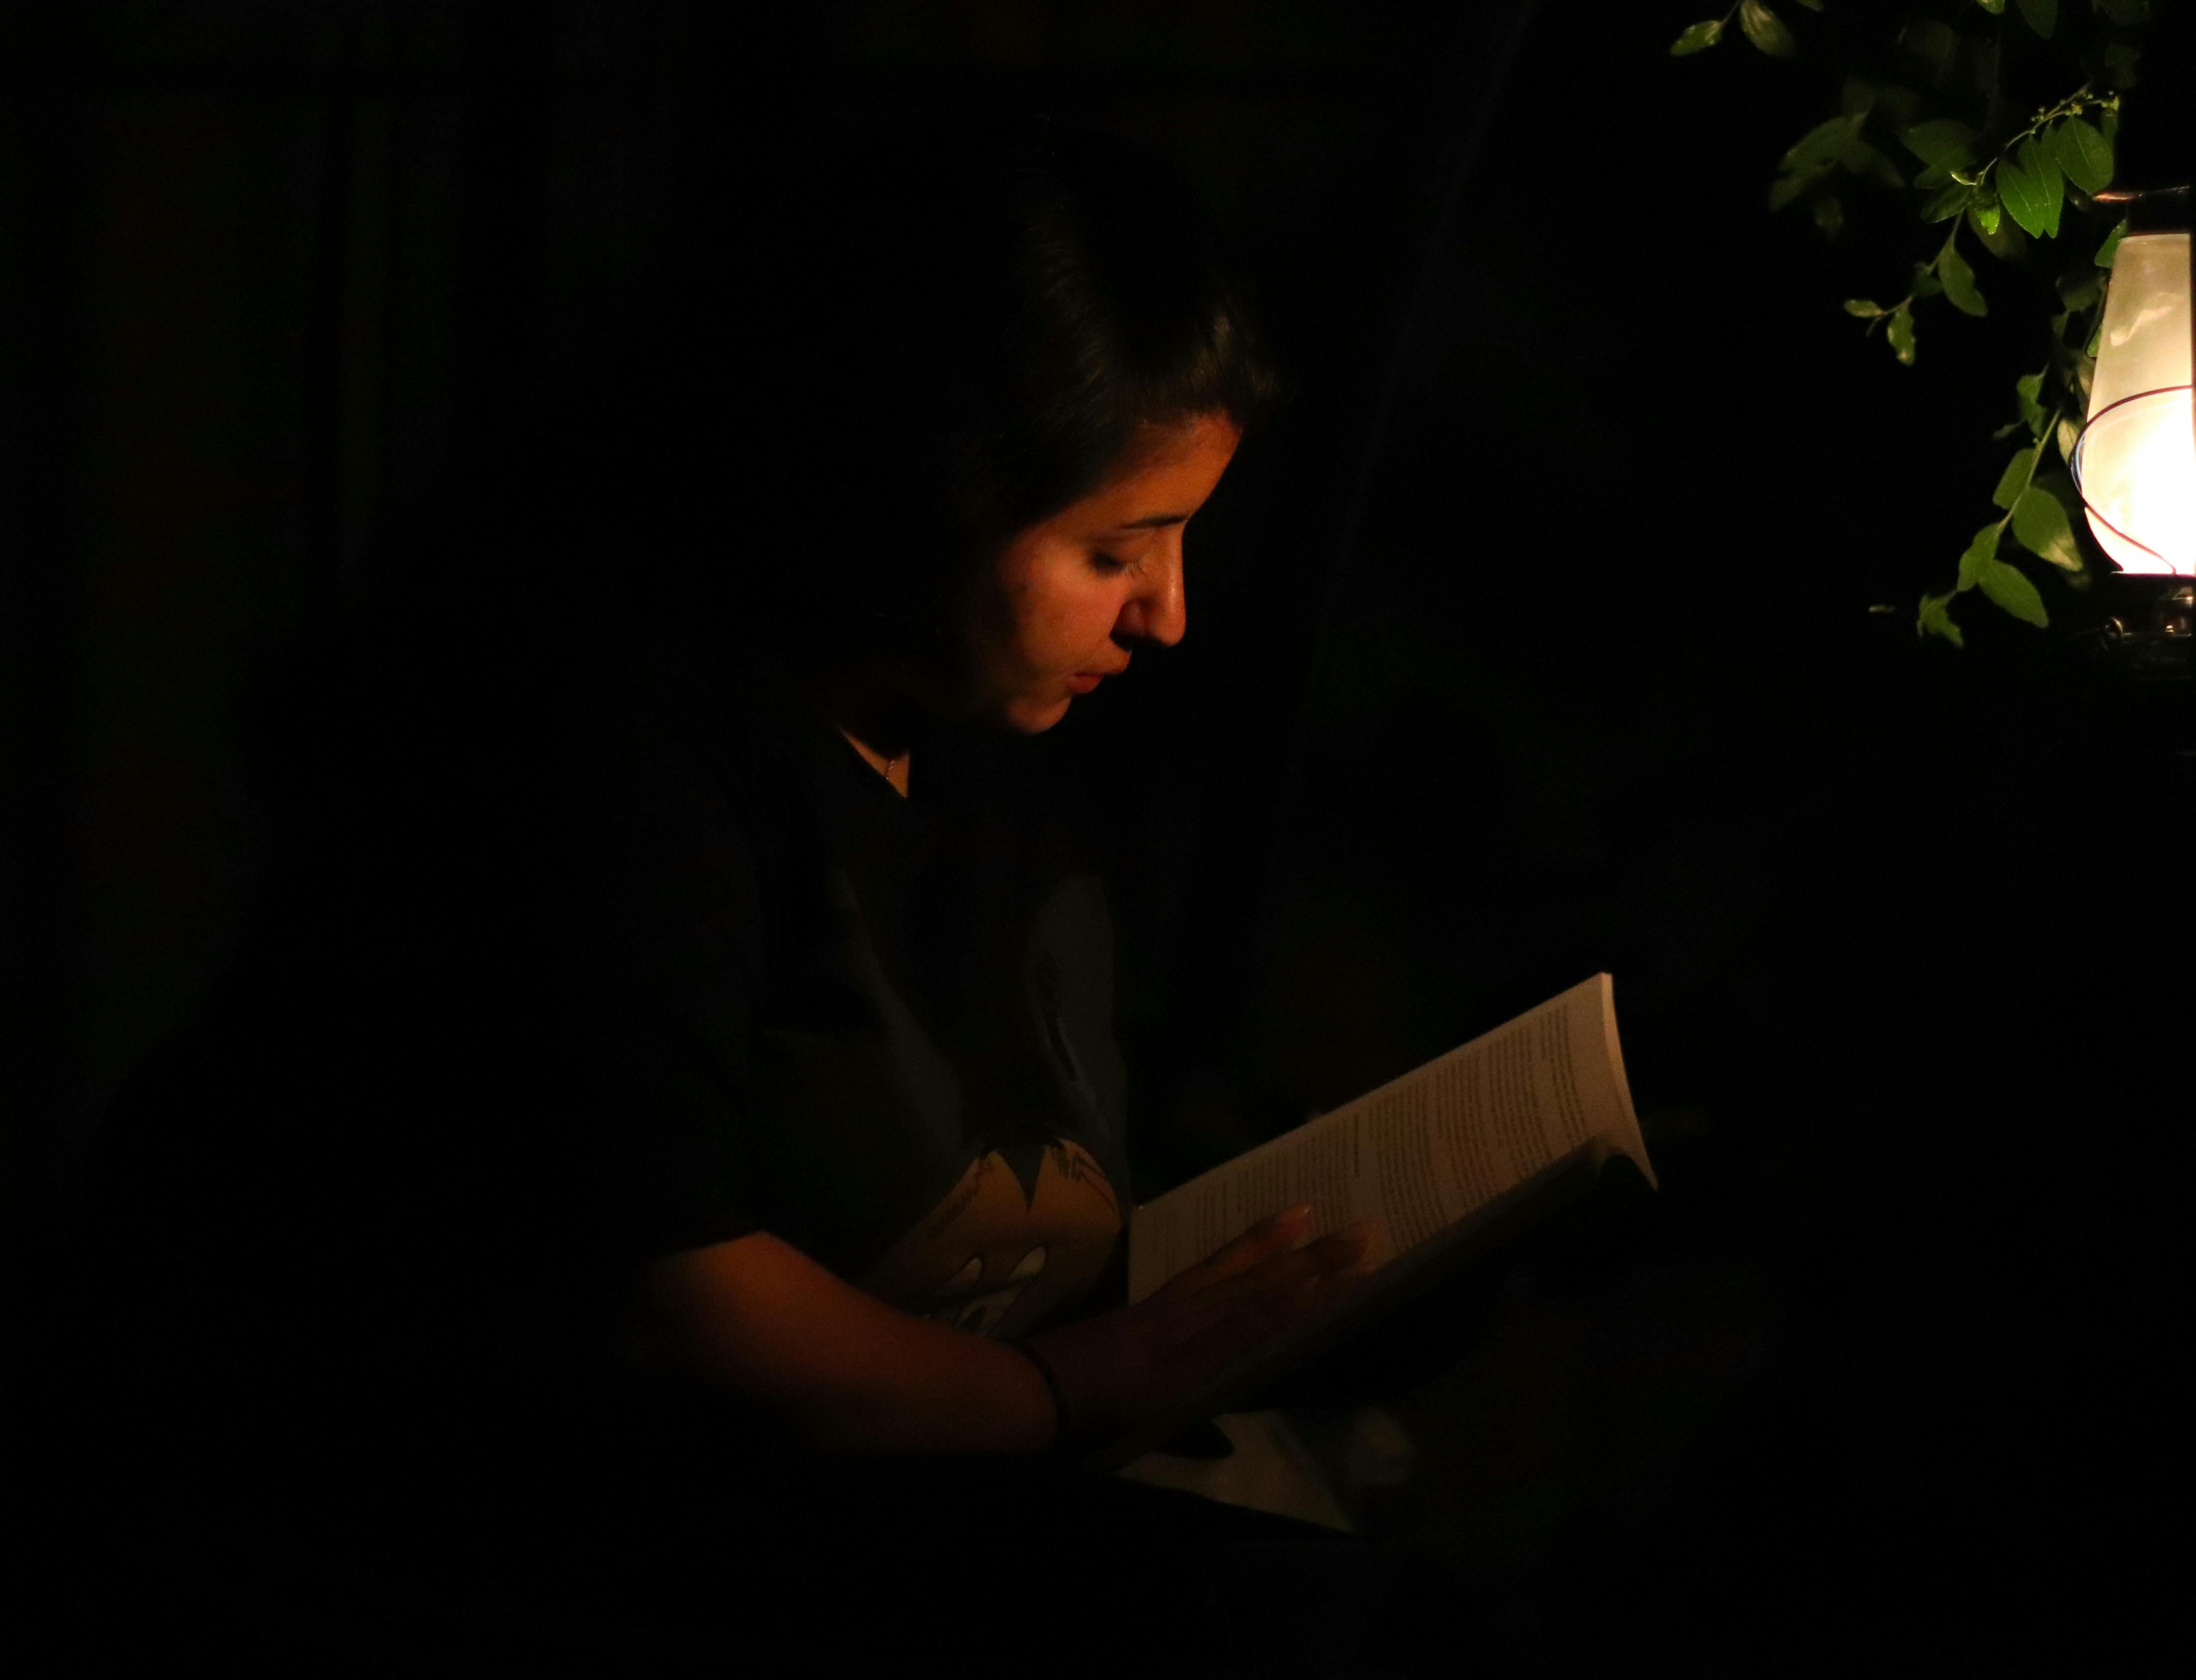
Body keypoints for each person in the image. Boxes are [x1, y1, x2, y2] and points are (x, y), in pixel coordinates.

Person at [75, 118, 1488, 1676]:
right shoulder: (607, 760)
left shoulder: (982, 744)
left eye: (1179, 543)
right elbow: (673, 1305)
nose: (1167, 615)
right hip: (535, 1555)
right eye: (1115, 550)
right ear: (925, 498)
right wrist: (1067, 1395)